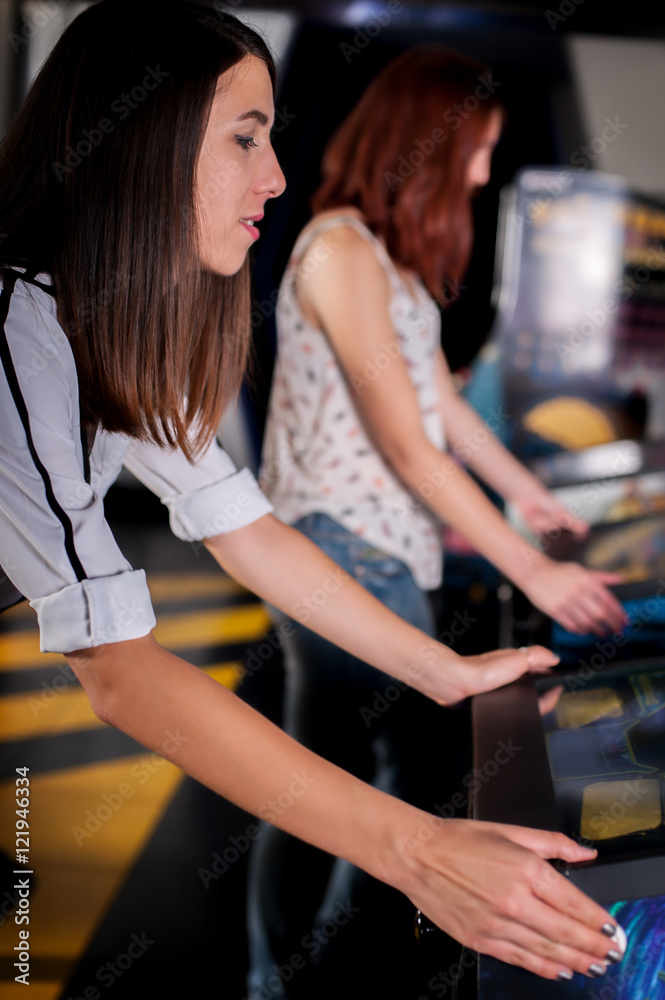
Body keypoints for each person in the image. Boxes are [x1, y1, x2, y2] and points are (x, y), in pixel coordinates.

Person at [0, 4, 624, 994]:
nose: (273, 176)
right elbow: (116, 672)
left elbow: (247, 531)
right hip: (360, 532)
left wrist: (443, 672)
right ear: (139, 136)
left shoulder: (101, 327)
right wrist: (417, 850)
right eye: (244, 138)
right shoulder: (20, 330)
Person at [252, 43, 628, 997]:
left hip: (375, 546)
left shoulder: (386, 260)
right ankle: (296, 974)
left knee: (334, 775)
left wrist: (524, 494)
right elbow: (408, 448)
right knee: (355, 784)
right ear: (424, 140)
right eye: (473, 149)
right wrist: (531, 569)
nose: (479, 170)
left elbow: (444, 410)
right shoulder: (338, 250)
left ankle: (297, 968)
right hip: (342, 543)